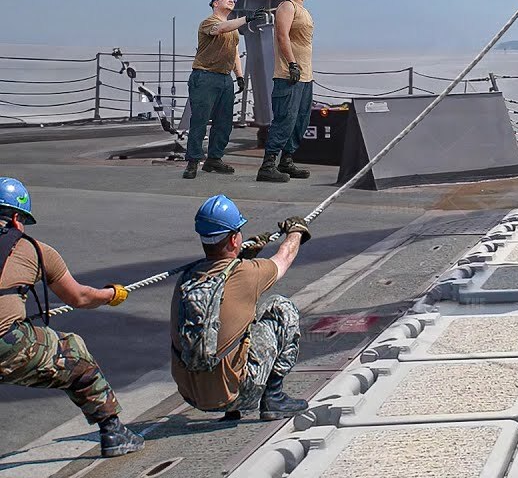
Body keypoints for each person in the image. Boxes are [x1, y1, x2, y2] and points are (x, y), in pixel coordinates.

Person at [0, 178, 145, 457]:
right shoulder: (35, 250)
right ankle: (113, 431)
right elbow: (79, 297)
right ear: (17, 218)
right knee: (75, 353)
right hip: (6, 343)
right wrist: (111, 295)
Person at [170, 195, 310, 420]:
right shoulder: (246, 272)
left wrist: (246, 256)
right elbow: (284, 258)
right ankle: (273, 396)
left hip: (192, 396)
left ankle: (229, 404)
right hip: (237, 394)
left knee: (232, 325)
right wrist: (296, 231)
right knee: (281, 308)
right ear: (234, 239)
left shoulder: (186, 279)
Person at [183, 0, 267, 179]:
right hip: (205, 76)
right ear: (215, 3)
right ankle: (193, 161)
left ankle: (214, 158)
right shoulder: (208, 22)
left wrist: (239, 75)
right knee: (200, 120)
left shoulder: (233, 29)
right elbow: (220, 29)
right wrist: (246, 18)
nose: (231, 0)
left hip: (225, 78)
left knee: (224, 122)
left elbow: (234, 51)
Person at [258, 0, 315, 183]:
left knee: (300, 120)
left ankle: (286, 161)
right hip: (289, 74)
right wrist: (292, 64)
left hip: (306, 76)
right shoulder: (287, 6)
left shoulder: (305, 11)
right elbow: (282, 35)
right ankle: (267, 165)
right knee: (285, 119)